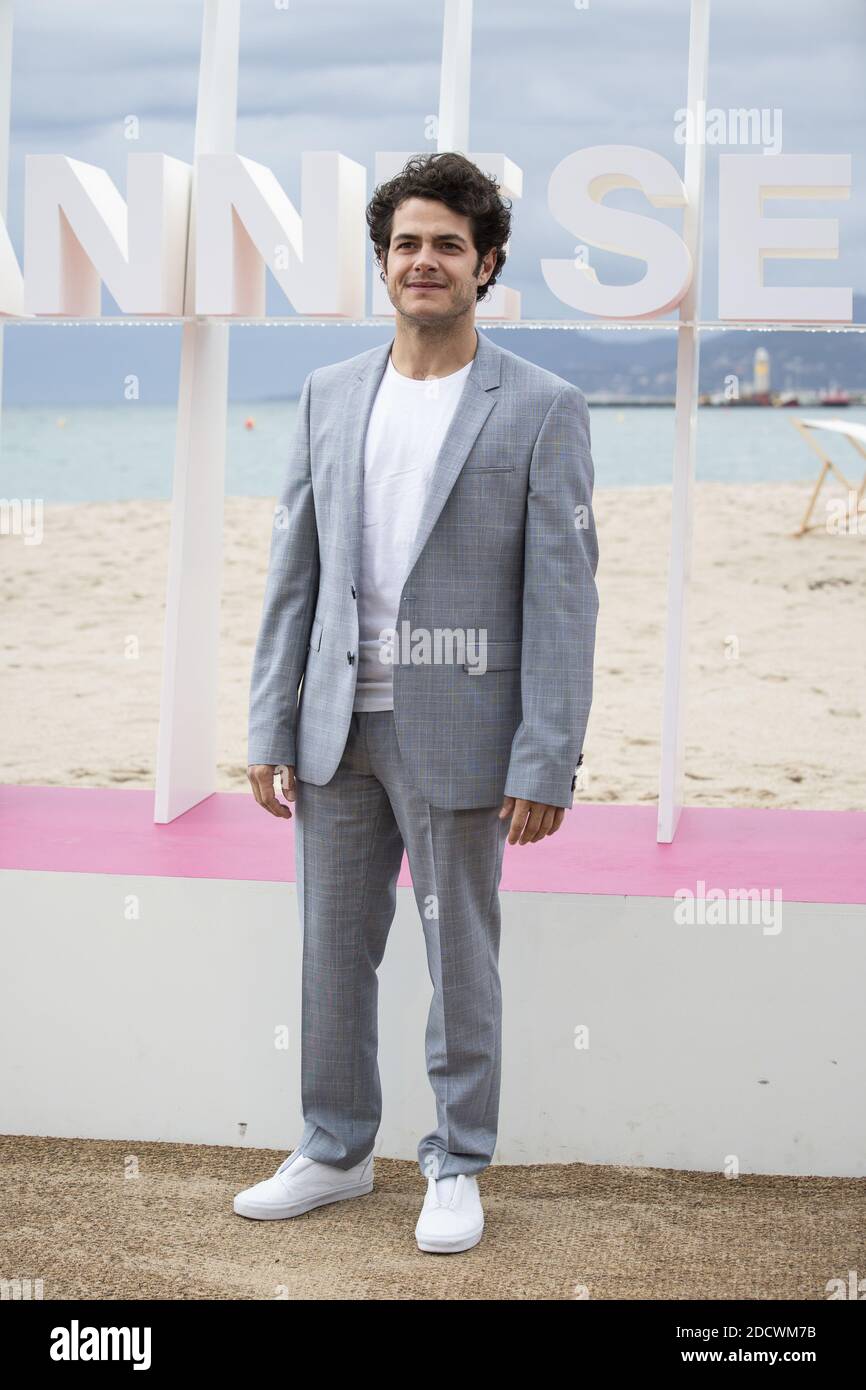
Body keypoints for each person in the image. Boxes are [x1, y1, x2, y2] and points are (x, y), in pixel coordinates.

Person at [236, 152, 599, 1254]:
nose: (423, 260)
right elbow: (293, 574)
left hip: (465, 732)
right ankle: (335, 1149)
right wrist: (269, 721)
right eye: (406, 243)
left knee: (460, 959)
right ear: (382, 262)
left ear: (487, 264)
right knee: (331, 952)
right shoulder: (328, 393)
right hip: (335, 724)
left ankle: (456, 1160)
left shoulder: (542, 407)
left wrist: (546, 756)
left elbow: (564, 598)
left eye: (448, 244)